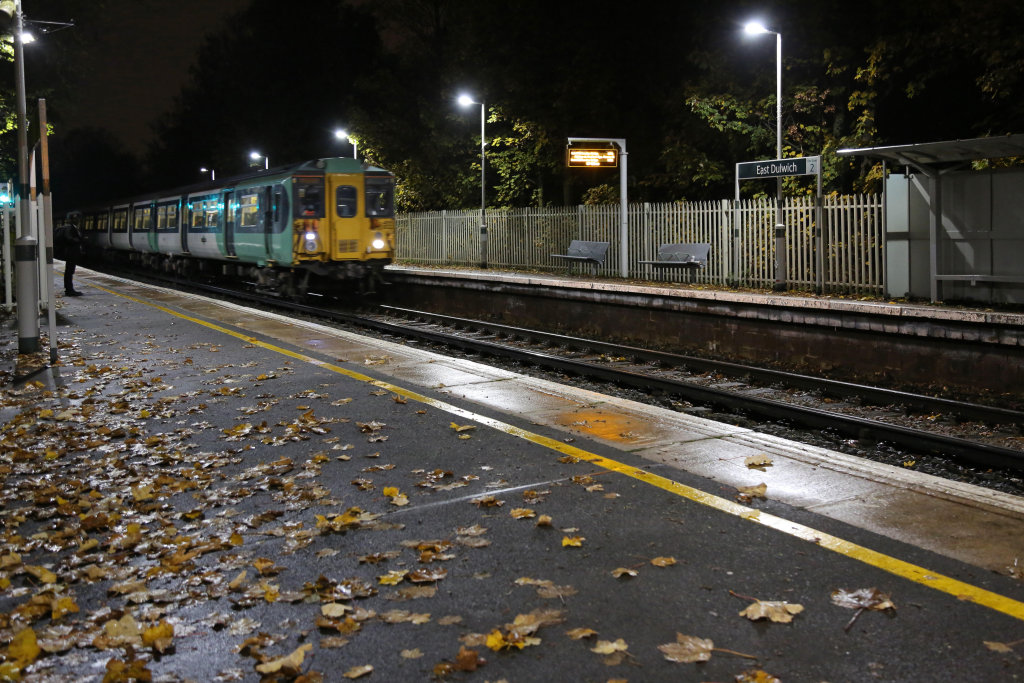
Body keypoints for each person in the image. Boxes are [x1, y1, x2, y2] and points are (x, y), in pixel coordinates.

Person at [54, 220, 84, 297]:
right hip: (71, 253)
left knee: (69, 271)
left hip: (70, 252)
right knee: (69, 271)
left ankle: (69, 289)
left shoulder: (68, 227)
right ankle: (69, 290)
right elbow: (69, 238)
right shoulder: (70, 228)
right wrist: (80, 240)